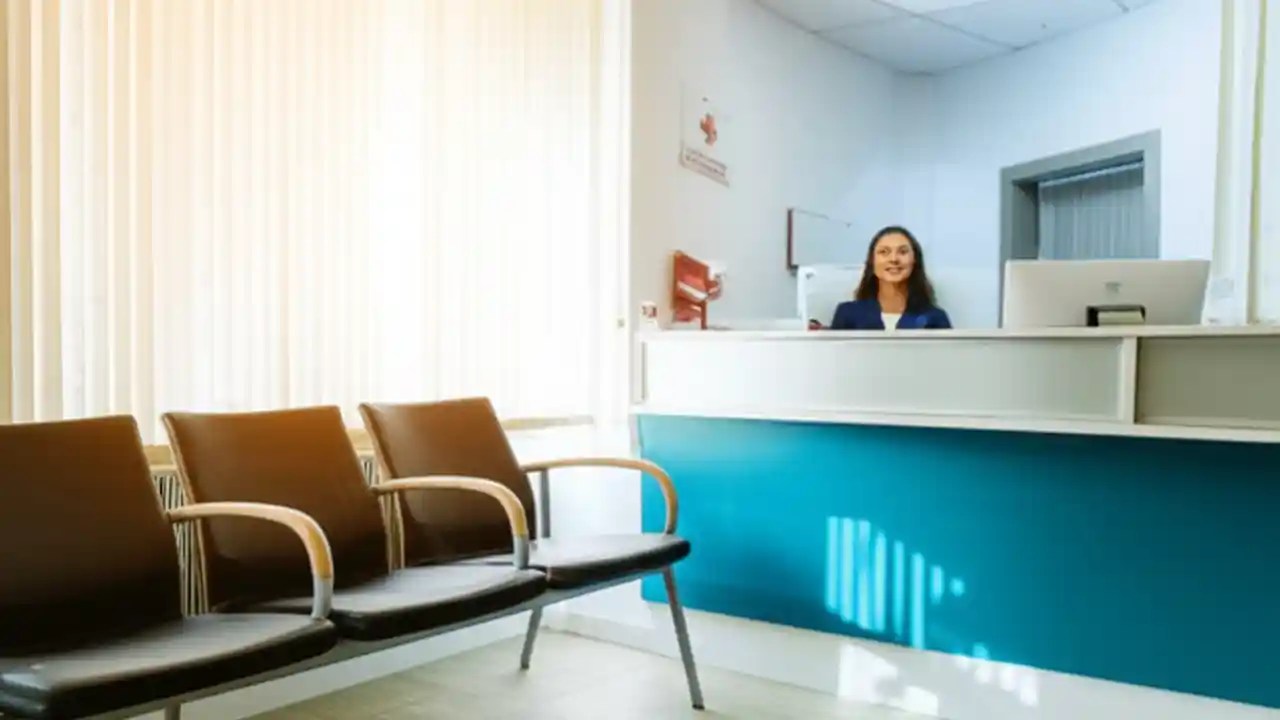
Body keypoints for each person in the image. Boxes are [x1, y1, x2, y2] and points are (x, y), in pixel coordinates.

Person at [829, 226, 952, 330]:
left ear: (915, 261)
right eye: (884, 252)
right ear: (872, 261)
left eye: (903, 252)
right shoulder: (847, 314)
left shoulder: (935, 317)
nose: (893, 259)